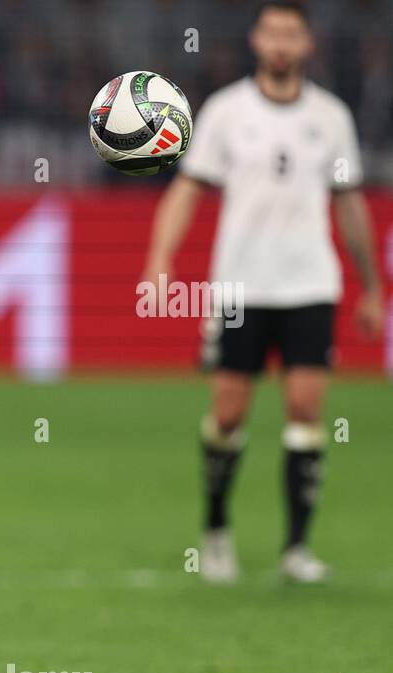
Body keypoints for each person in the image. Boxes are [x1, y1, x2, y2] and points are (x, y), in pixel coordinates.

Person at [142, 1, 384, 583]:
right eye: (272, 32)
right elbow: (187, 190)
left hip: (309, 283)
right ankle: (216, 529)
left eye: (291, 34)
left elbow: (349, 203)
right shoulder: (226, 112)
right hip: (239, 286)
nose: (281, 43)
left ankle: (296, 548)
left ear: (307, 45)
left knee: (304, 410)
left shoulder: (330, 117)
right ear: (257, 40)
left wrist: (372, 287)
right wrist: (159, 259)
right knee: (228, 414)